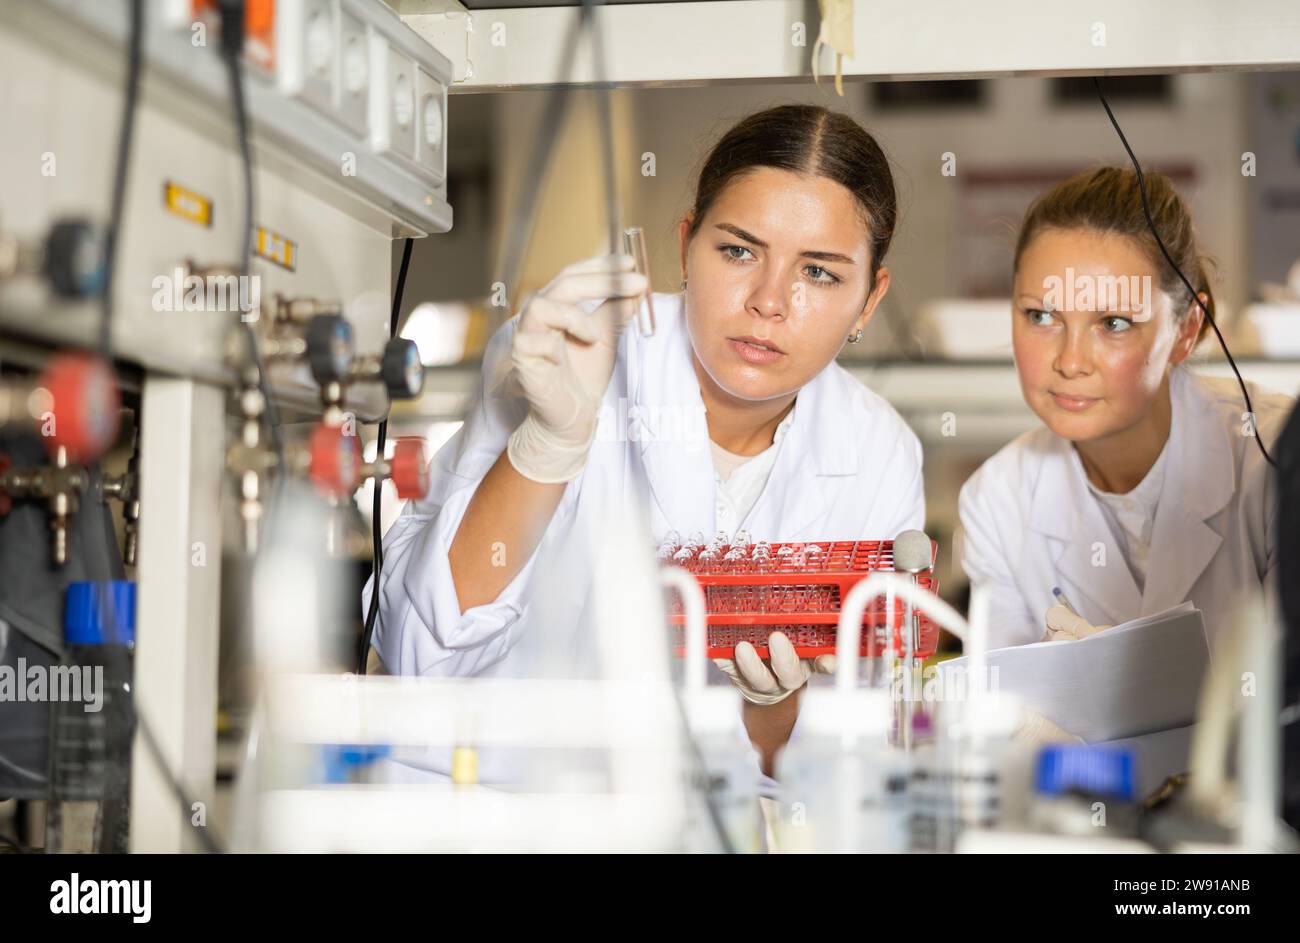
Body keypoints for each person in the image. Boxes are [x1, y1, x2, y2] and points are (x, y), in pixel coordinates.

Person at [366, 104, 925, 779]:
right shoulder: (570, 353)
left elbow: (843, 769)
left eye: (820, 272)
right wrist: (547, 445)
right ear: (687, 245)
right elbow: (421, 656)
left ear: (869, 299)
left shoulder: (877, 450)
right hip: (494, 810)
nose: (769, 300)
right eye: (739, 250)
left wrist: (775, 707)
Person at [960, 167, 1293, 656]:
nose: (1070, 362)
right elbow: (1004, 712)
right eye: (1042, 316)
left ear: (1185, 329)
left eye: (1113, 323)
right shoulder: (997, 500)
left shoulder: (1274, 454)